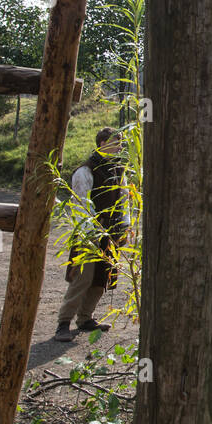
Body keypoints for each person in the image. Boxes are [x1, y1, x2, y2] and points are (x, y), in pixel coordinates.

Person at [54, 127, 129, 342]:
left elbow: (124, 197)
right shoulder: (85, 171)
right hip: (89, 232)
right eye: (116, 141)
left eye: (121, 142)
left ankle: (86, 318)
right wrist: (92, 233)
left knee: (102, 277)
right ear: (103, 143)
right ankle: (63, 323)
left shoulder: (117, 169)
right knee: (82, 278)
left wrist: (124, 226)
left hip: (111, 232)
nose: (120, 146)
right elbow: (81, 204)